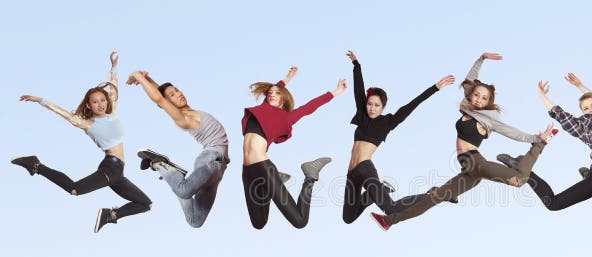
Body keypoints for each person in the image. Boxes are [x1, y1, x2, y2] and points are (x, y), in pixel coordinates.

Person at [370, 53, 557, 231]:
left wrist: (536, 138)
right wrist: (481, 59)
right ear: (471, 95)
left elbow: (511, 132)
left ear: (489, 101)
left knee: (519, 180)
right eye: (476, 95)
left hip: (477, 164)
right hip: (468, 169)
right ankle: (388, 221)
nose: (479, 99)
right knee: (433, 198)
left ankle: (540, 145)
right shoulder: (467, 107)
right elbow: (469, 81)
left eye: (484, 98)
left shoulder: (489, 119)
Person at [12, 52, 151, 233]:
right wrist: (40, 100)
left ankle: (110, 215)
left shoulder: (112, 112)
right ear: (88, 105)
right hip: (110, 168)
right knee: (74, 189)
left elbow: (113, 86)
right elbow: (63, 113)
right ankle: (36, 165)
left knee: (146, 204)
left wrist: (113, 67)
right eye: (95, 102)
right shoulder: (87, 124)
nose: (100, 104)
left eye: (102, 100)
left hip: (119, 172)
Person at [495, 74, 592, 225]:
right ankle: (524, 169)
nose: (591, 109)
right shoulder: (584, 126)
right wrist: (542, 96)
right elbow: (561, 115)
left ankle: (589, 176)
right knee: (553, 204)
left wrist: (579, 86)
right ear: (583, 113)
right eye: (586, 108)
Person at [342, 50, 455, 224]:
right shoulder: (362, 115)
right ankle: (381, 190)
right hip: (352, 173)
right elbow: (358, 90)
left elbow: (412, 104)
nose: (372, 108)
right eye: (370, 104)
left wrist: (435, 88)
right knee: (348, 218)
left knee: (391, 208)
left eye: (377, 105)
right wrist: (356, 65)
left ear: (383, 107)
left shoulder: (388, 122)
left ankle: (433, 193)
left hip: (365, 169)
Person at [242, 66, 346, 229]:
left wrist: (335, 92)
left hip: (263, 167)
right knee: (259, 223)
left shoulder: (285, 118)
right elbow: (276, 87)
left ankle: (310, 175)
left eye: (277, 93)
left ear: (283, 99)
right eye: (270, 93)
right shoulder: (262, 109)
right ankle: (274, 183)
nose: (272, 95)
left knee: (300, 221)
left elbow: (309, 107)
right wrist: (287, 78)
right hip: (247, 171)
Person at [126, 70, 231, 228]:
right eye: (173, 95)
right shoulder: (184, 118)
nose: (178, 94)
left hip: (218, 170)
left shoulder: (190, 111)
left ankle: (176, 175)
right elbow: (160, 100)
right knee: (183, 191)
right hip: (211, 160)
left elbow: (162, 94)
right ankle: (163, 166)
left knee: (195, 221)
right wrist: (139, 77)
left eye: (177, 90)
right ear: (169, 104)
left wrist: (148, 79)